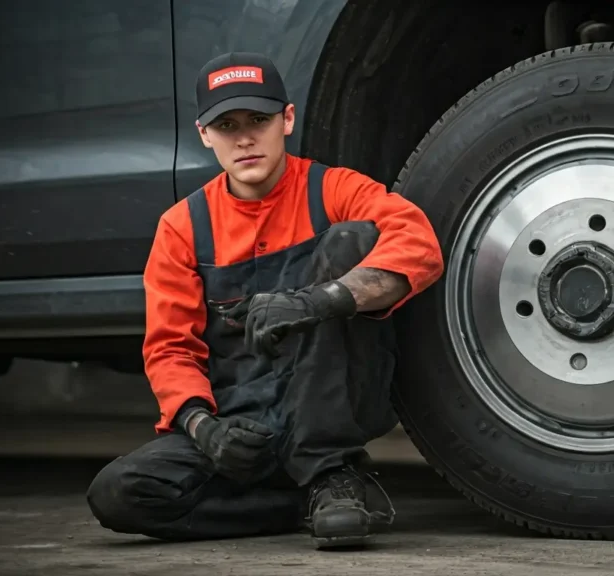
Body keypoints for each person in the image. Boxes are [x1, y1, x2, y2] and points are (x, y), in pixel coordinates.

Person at [85, 52, 444, 549]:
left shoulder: (333, 189)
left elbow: (418, 243)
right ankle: (306, 503)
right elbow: (170, 350)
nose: (245, 139)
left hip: (326, 406)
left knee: (354, 239)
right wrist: (203, 428)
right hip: (241, 426)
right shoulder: (182, 227)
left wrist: (321, 300)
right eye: (226, 125)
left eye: (258, 119)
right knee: (118, 494)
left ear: (287, 120)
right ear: (204, 134)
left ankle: (328, 469)